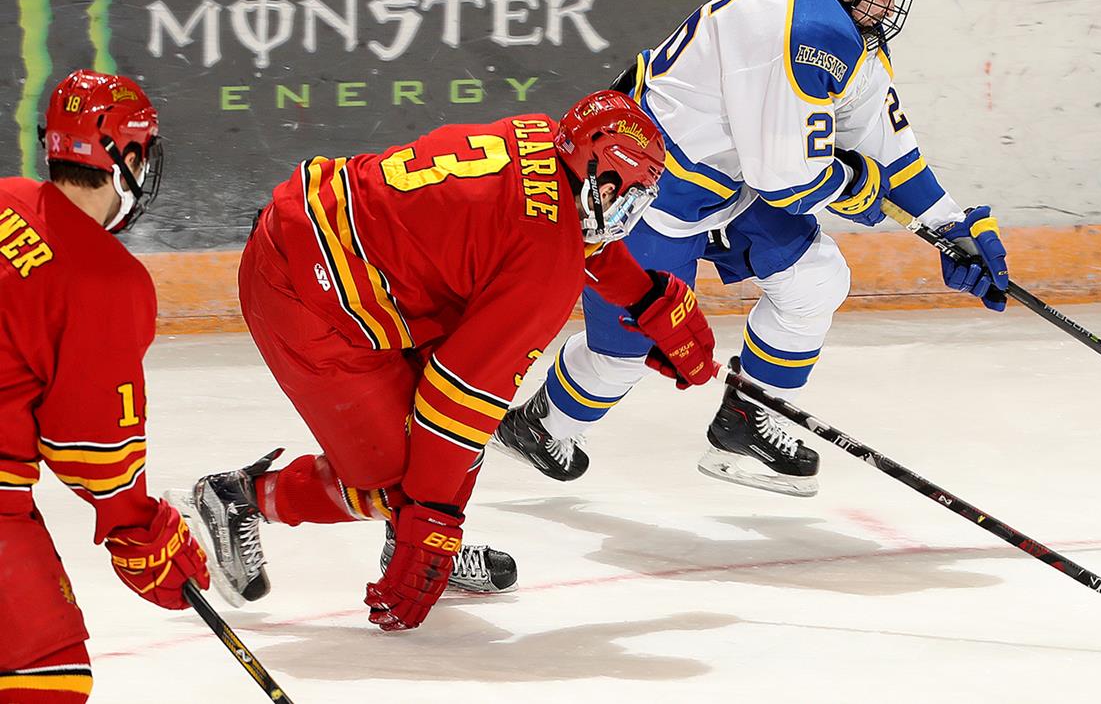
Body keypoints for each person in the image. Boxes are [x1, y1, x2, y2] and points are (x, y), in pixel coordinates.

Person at [491, 0, 1011, 498]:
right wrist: (857, 189)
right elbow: (789, 183)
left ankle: (747, 416)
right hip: (648, 195)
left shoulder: (845, 29)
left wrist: (949, 225)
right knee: (627, 351)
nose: (894, 1)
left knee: (816, 279)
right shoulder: (804, 33)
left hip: (730, 183)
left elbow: (885, 146)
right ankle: (541, 426)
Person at [169, 90, 716, 632]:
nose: (625, 219)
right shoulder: (543, 263)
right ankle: (241, 499)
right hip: (306, 295)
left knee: (454, 438)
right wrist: (431, 527)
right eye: (627, 200)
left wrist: (645, 297)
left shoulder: (543, 140)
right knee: (409, 473)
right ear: (600, 174)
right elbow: (455, 400)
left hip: (329, 240)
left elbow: (562, 231)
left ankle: (405, 531)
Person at [1, 70, 210, 702]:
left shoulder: (6, 196)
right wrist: (139, 531)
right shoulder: (104, 282)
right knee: (45, 677)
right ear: (130, 157)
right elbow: (91, 449)